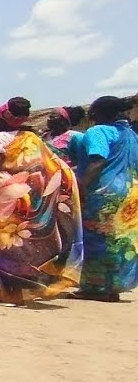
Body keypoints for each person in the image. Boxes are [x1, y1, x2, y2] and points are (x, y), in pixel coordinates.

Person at [0, 97, 83, 305]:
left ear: (1, 117)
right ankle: (19, 290)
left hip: (5, 198)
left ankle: (10, 292)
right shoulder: (32, 138)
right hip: (29, 196)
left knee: (4, 244)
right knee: (20, 245)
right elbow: (53, 166)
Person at [74, 96, 138, 302]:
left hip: (104, 191)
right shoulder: (131, 135)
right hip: (130, 192)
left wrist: (81, 186)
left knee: (97, 239)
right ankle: (114, 286)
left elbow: (98, 160)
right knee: (121, 240)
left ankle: (95, 287)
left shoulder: (98, 132)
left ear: (95, 113)